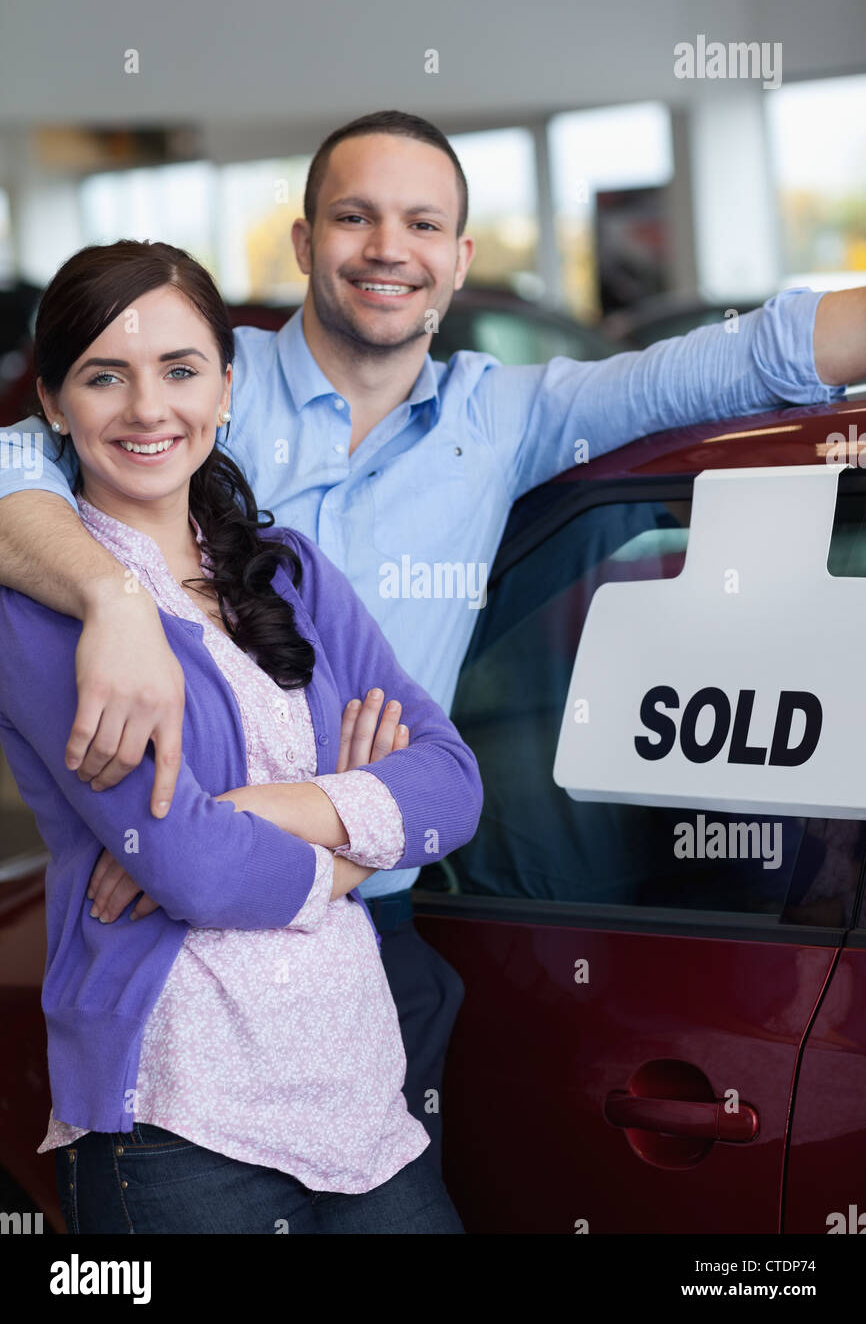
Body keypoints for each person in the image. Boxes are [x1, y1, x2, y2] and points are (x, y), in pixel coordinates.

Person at [0, 109, 864, 1169]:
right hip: (179, 951)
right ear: (304, 241)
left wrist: (240, 825)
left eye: (422, 224)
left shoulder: (504, 419)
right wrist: (114, 599)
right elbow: (15, 459)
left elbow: (736, 362)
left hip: (378, 924)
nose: (387, 249)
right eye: (353, 216)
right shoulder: (193, 381)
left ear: (459, 258)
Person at [0, 240, 482, 1234]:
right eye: (104, 376)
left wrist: (259, 809)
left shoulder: (286, 568)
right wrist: (361, 840)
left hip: (360, 1099)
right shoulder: (38, 611)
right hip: (178, 1122)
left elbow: (453, 783)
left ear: (225, 388)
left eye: (180, 370)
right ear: (51, 401)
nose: (148, 408)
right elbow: (197, 870)